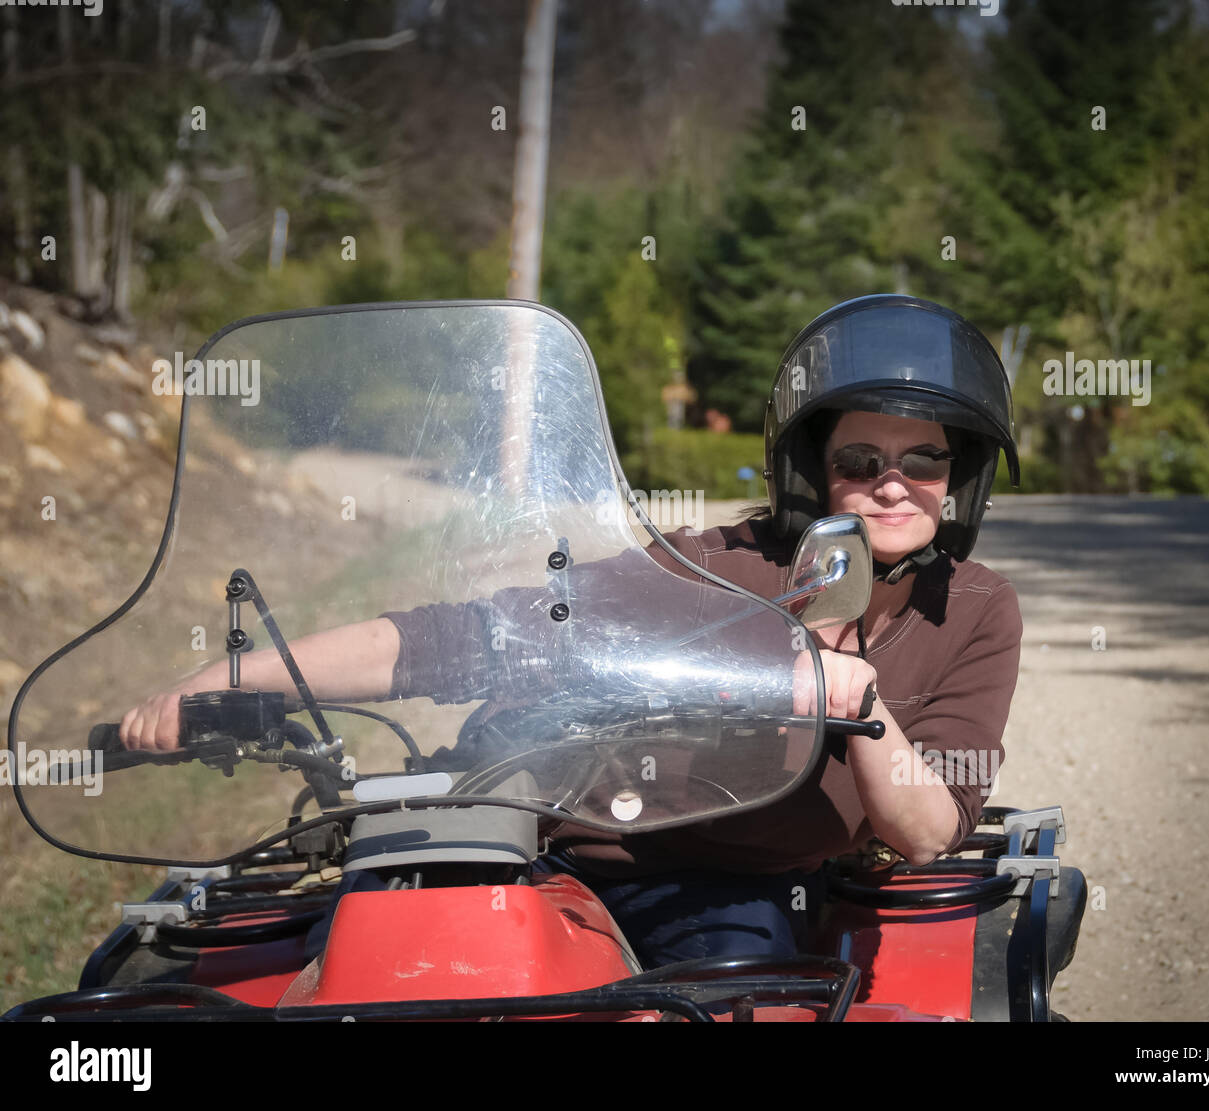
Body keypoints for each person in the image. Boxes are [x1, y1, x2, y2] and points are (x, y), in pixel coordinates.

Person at [117, 293, 1023, 970]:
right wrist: (230, 679)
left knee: (739, 989)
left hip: (738, 890)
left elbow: (929, 830)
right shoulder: (711, 568)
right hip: (551, 848)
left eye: (924, 460)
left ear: (960, 477)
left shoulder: (976, 609)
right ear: (811, 471)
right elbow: (459, 638)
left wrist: (858, 701)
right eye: (860, 460)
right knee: (357, 972)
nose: (893, 482)